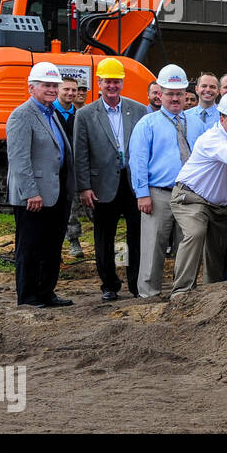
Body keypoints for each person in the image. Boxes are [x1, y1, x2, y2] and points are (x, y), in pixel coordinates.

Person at [169, 91, 227, 296]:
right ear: (222, 118)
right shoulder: (211, 138)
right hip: (191, 198)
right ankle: (181, 292)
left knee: (216, 251)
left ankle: (212, 294)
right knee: (195, 233)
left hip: (221, 205)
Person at [73, 57, 148, 301]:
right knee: (104, 237)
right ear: (99, 83)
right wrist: (84, 187)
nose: (112, 86)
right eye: (108, 82)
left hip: (133, 185)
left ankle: (136, 283)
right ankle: (109, 284)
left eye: (116, 82)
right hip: (102, 186)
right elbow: (80, 153)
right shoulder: (85, 115)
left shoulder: (138, 110)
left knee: (136, 236)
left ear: (122, 83)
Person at [6, 62, 75, 308]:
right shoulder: (22, 115)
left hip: (55, 194)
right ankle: (28, 296)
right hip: (34, 197)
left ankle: (46, 292)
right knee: (30, 247)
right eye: (46, 85)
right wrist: (30, 193)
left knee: (51, 247)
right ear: (31, 87)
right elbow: (19, 159)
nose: (52, 89)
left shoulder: (52, 113)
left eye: (54, 85)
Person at [129, 64, 199, 298]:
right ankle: (149, 292)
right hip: (158, 193)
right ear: (160, 94)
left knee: (186, 243)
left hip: (189, 193)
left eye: (179, 93)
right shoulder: (147, 123)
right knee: (153, 244)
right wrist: (142, 194)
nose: (175, 98)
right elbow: (137, 161)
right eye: (170, 93)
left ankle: (183, 291)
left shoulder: (194, 122)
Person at [53, 76, 89, 258]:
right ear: (58, 90)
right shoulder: (51, 114)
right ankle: (71, 241)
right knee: (66, 211)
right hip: (60, 172)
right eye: (66, 89)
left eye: (74, 90)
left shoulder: (80, 115)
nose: (72, 93)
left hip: (80, 168)